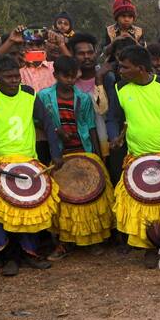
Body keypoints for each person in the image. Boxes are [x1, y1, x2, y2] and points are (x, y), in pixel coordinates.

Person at [0, 54, 62, 275]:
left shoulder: (29, 93)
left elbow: (47, 122)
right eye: (8, 77)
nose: (14, 81)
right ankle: (5, 257)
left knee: (29, 209)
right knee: (1, 214)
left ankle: (29, 253)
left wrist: (56, 153)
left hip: (27, 161)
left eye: (16, 76)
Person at [112, 45, 160, 267]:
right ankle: (151, 247)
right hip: (136, 159)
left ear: (140, 68)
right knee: (143, 205)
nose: (120, 70)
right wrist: (114, 137)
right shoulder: (120, 89)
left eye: (124, 67)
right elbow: (112, 118)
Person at [39, 55, 113, 248]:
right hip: (59, 153)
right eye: (66, 76)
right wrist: (56, 131)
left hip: (83, 148)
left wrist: (98, 155)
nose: (70, 80)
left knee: (90, 195)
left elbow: (90, 127)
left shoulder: (83, 98)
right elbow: (38, 123)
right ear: (56, 75)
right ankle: (64, 243)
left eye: (73, 76)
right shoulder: (44, 96)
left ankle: (93, 240)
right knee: (62, 199)